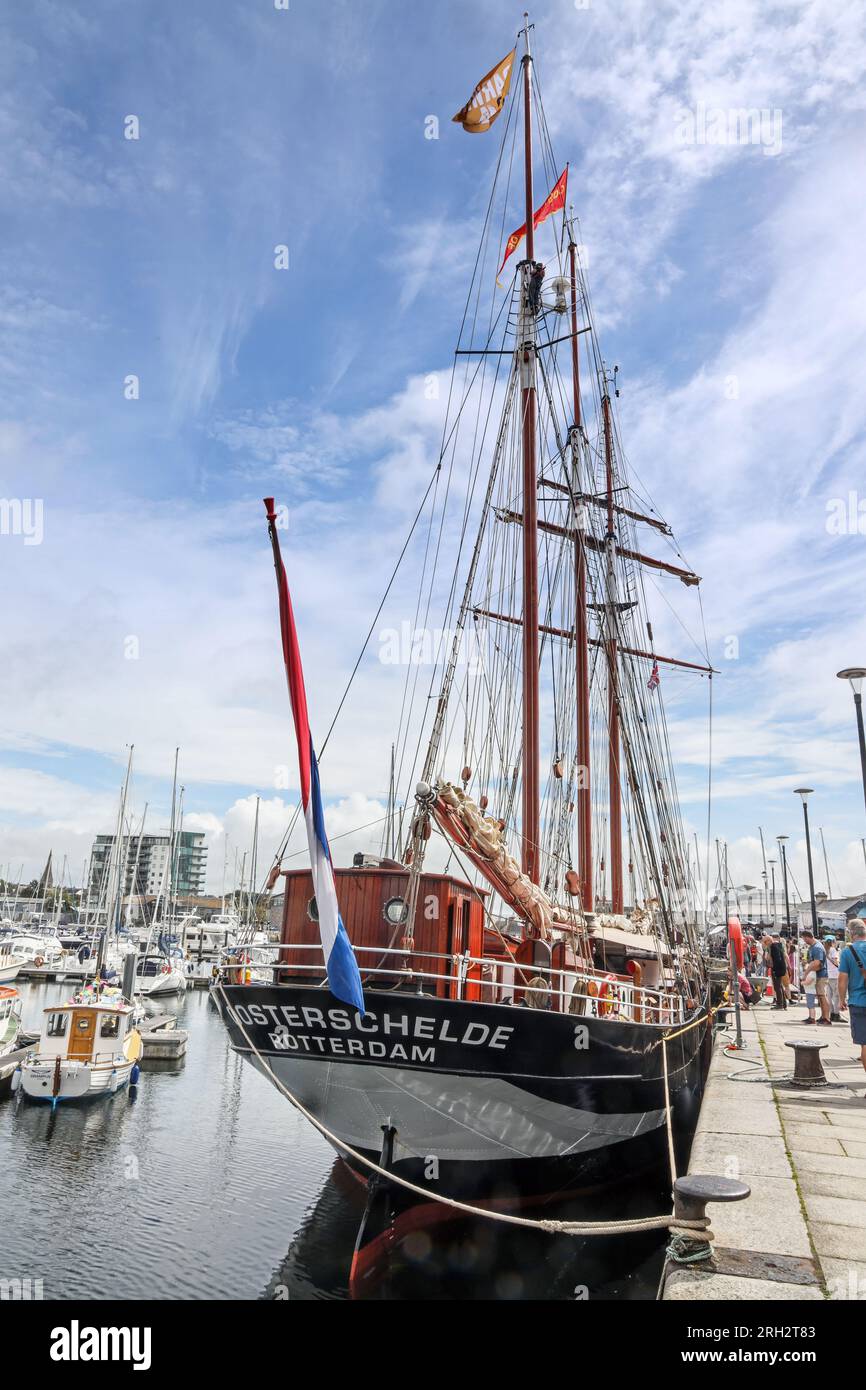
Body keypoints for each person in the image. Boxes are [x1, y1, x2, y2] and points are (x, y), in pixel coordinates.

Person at [837, 920, 866, 1083]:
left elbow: (842, 979)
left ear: (851, 933)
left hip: (858, 1002)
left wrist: (841, 1000)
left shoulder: (848, 952)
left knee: (865, 1044)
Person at [802, 930, 832, 1024]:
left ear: (807, 937)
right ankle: (823, 1017)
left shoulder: (817, 947)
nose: (804, 941)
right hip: (818, 975)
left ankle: (826, 1018)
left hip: (821, 975)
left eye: (804, 939)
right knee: (820, 996)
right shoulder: (813, 947)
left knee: (822, 996)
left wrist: (806, 972)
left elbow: (817, 963)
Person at [824, 934, 845, 1022]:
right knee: (836, 996)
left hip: (827, 975)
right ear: (833, 942)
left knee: (829, 995)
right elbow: (836, 963)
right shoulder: (833, 950)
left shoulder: (824, 950)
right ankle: (836, 1014)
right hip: (835, 975)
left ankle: (831, 1013)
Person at [768, 933, 788, 1010]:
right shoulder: (779, 945)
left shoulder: (773, 946)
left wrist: (775, 969)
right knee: (779, 986)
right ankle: (783, 1003)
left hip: (777, 969)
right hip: (781, 968)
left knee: (777, 986)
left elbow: (777, 959)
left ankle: (780, 1004)